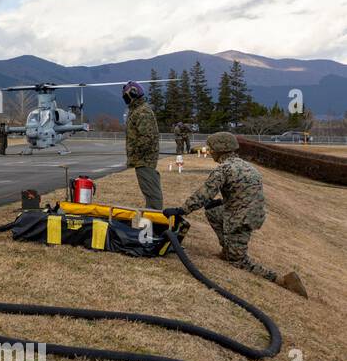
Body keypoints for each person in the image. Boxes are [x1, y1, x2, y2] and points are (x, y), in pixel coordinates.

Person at [164, 132, 307, 297]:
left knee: (238, 261)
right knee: (212, 211)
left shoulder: (224, 169)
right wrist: (222, 203)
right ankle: (227, 249)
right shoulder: (245, 165)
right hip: (249, 213)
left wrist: (181, 211)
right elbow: (243, 193)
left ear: (220, 150)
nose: (209, 152)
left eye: (211, 149)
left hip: (241, 218)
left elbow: (203, 194)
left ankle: (283, 280)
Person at [123, 80, 162, 210]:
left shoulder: (142, 112)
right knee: (150, 192)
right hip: (142, 160)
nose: (126, 100)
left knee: (152, 194)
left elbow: (147, 138)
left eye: (126, 97)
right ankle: (153, 220)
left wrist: (136, 154)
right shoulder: (138, 110)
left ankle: (156, 223)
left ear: (133, 94)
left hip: (144, 159)